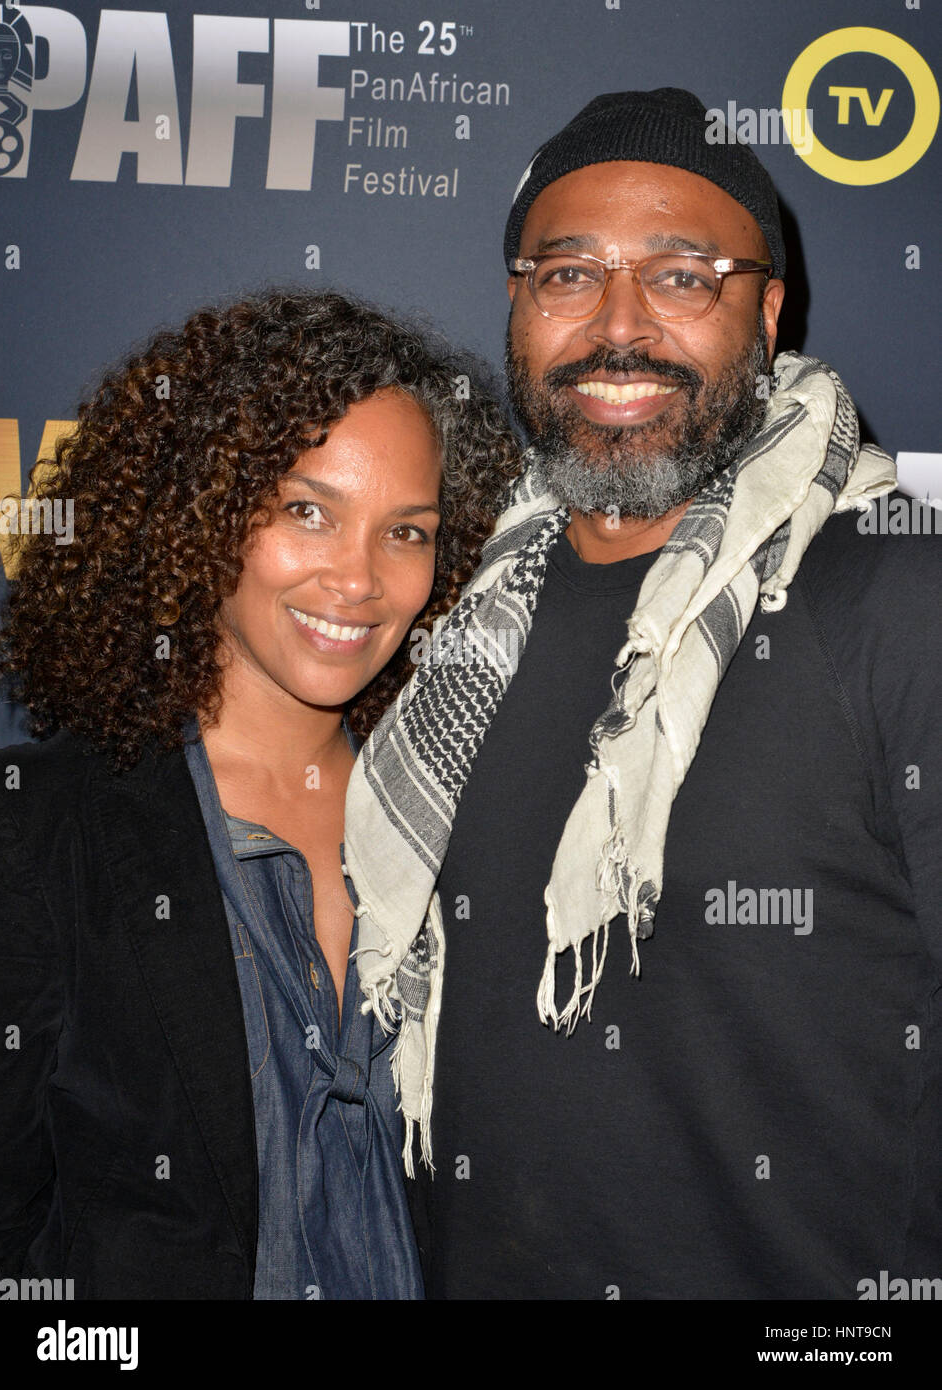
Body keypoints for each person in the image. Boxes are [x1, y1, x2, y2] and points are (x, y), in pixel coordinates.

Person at [345, 89, 942, 1299]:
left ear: (766, 314)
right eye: (566, 276)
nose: (618, 328)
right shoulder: (445, 621)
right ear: (516, 304)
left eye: (682, 277)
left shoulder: (900, 597)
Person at [0, 288, 520, 1299]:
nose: (358, 580)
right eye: (308, 512)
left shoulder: (471, 825)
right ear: (201, 512)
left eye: (406, 532)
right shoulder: (37, 830)